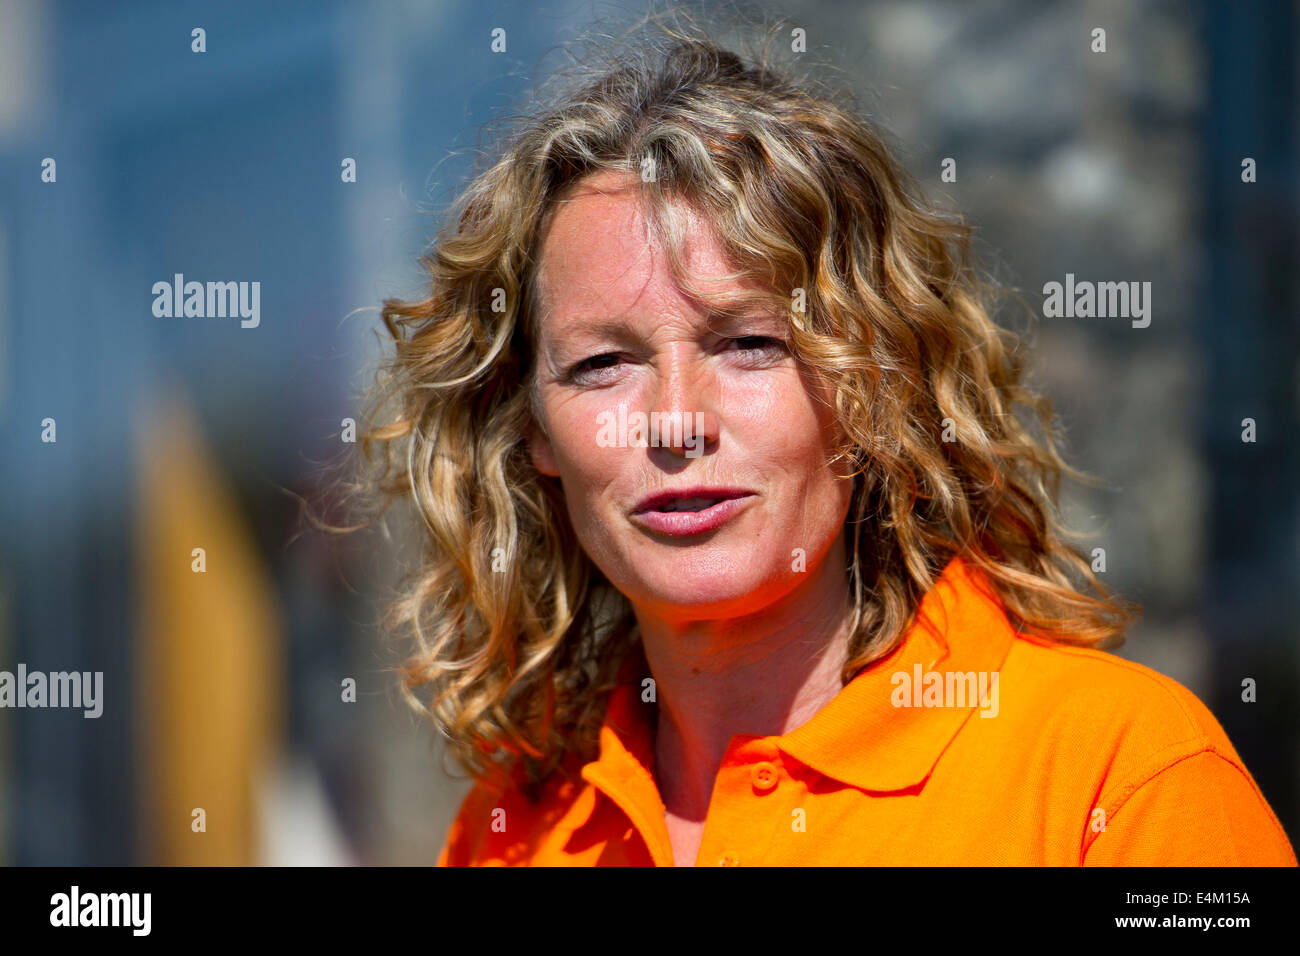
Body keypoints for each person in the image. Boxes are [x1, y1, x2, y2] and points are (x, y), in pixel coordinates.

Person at [342, 23, 1296, 866]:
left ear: (870, 383)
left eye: (750, 344)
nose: (677, 420)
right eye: (602, 364)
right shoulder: (516, 830)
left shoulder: (1115, 774)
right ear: (531, 428)